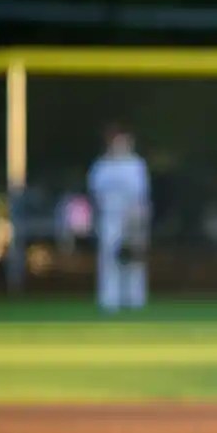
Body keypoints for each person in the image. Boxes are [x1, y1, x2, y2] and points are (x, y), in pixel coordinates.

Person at [87, 123, 150, 313]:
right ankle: (110, 300)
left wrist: (138, 217)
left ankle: (134, 299)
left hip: (132, 215)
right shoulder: (101, 166)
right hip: (109, 216)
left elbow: (142, 194)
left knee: (134, 259)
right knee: (109, 257)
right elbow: (94, 194)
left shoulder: (136, 164)